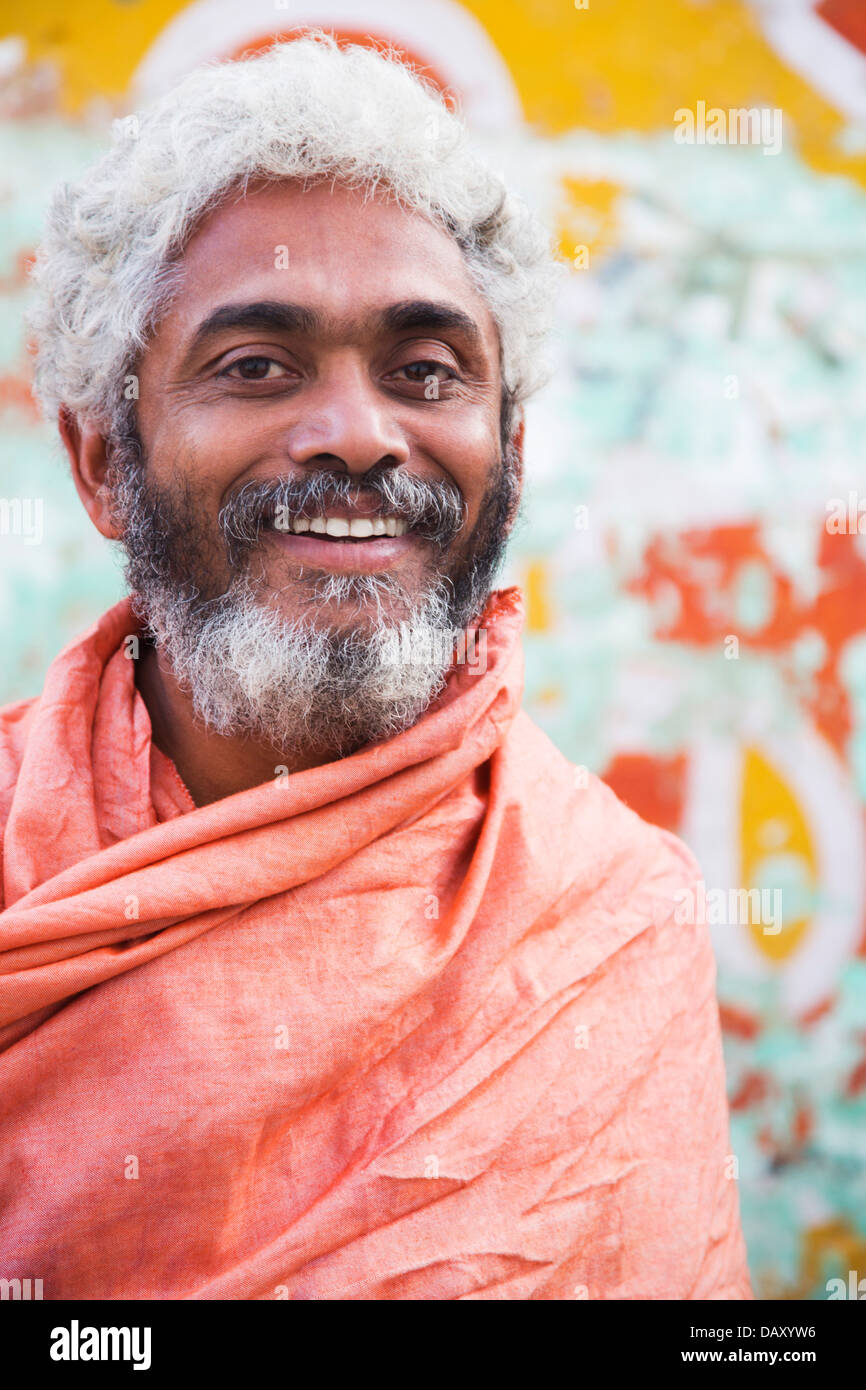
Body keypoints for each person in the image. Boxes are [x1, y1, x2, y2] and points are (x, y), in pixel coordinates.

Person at [0, 32, 751, 1300]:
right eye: (255, 365)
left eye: (424, 371)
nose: (356, 435)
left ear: (505, 453)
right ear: (98, 465)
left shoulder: (608, 915)